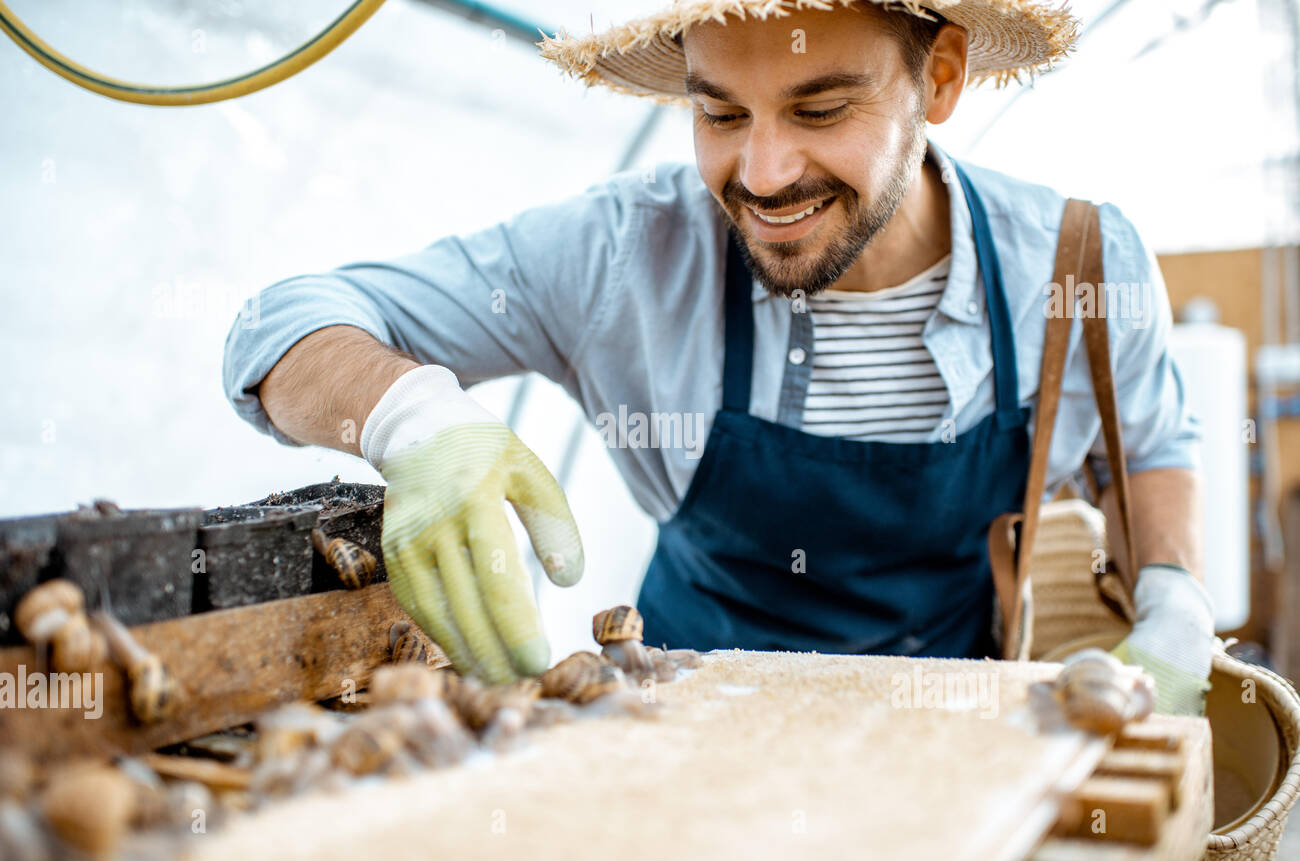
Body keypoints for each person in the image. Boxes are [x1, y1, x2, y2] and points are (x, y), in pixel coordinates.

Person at [223, 0, 1215, 715]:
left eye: (821, 109)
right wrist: (412, 418)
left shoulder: (1077, 264)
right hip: (678, 742)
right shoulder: (622, 251)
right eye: (720, 114)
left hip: (952, 725)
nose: (764, 174)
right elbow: (280, 324)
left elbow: (1154, 440)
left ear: (941, 77)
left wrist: (1172, 593)